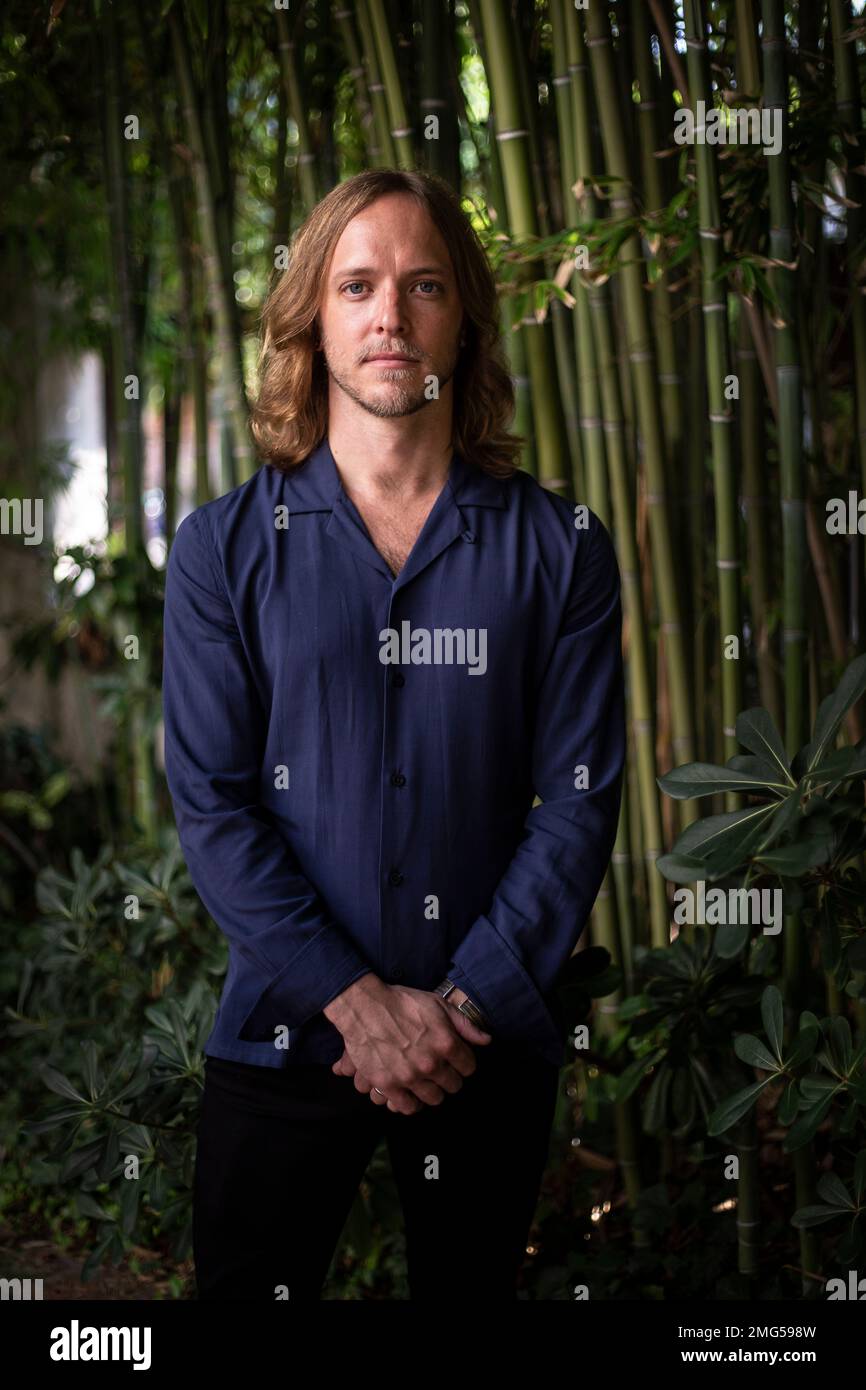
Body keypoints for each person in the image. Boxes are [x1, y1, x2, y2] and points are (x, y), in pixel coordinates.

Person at [162, 168, 626, 1301]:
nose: (388, 316)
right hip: (281, 1030)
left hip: (486, 1044)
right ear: (309, 321)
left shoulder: (558, 548)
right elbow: (214, 805)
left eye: (422, 286)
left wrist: (458, 1007)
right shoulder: (223, 551)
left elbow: (575, 803)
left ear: (460, 317)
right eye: (356, 285)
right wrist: (356, 1004)